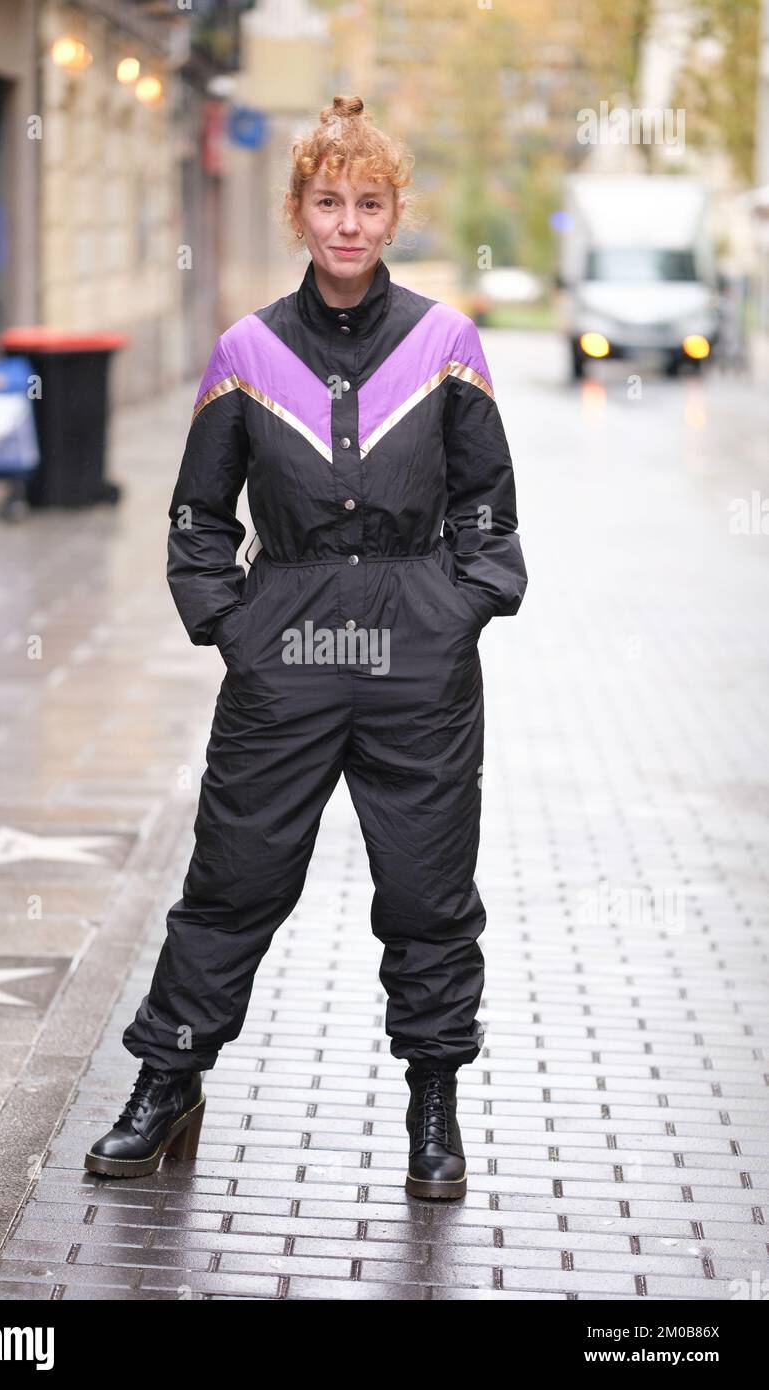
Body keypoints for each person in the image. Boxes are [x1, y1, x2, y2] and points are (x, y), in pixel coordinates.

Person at [85, 95, 528, 1199]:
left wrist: (457, 605)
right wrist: (233, 623)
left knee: (426, 890)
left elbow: (486, 506)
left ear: (392, 216)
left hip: (415, 657)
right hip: (283, 649)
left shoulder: (444, 344)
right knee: (233, 877)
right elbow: (197, 518)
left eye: (366, 203)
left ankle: (434, 1107)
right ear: (299, 212)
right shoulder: (245, 351)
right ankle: (168, 1078)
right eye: (326, 202)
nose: (346, 223)